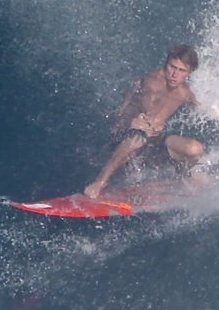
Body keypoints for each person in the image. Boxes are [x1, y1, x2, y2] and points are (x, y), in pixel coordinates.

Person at [84, 45, 204, 199]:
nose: (174, 74)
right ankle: (100, 182)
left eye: (181, 70)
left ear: (190, 72)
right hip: (125, 138)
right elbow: (148, 97)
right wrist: (147, 117)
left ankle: (182, 176)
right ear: (166, 64)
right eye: (172, 67)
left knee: (195, 149)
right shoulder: (152, 81)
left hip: (152, 143)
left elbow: (200, 107)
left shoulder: (185, 93)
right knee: (139, 136)